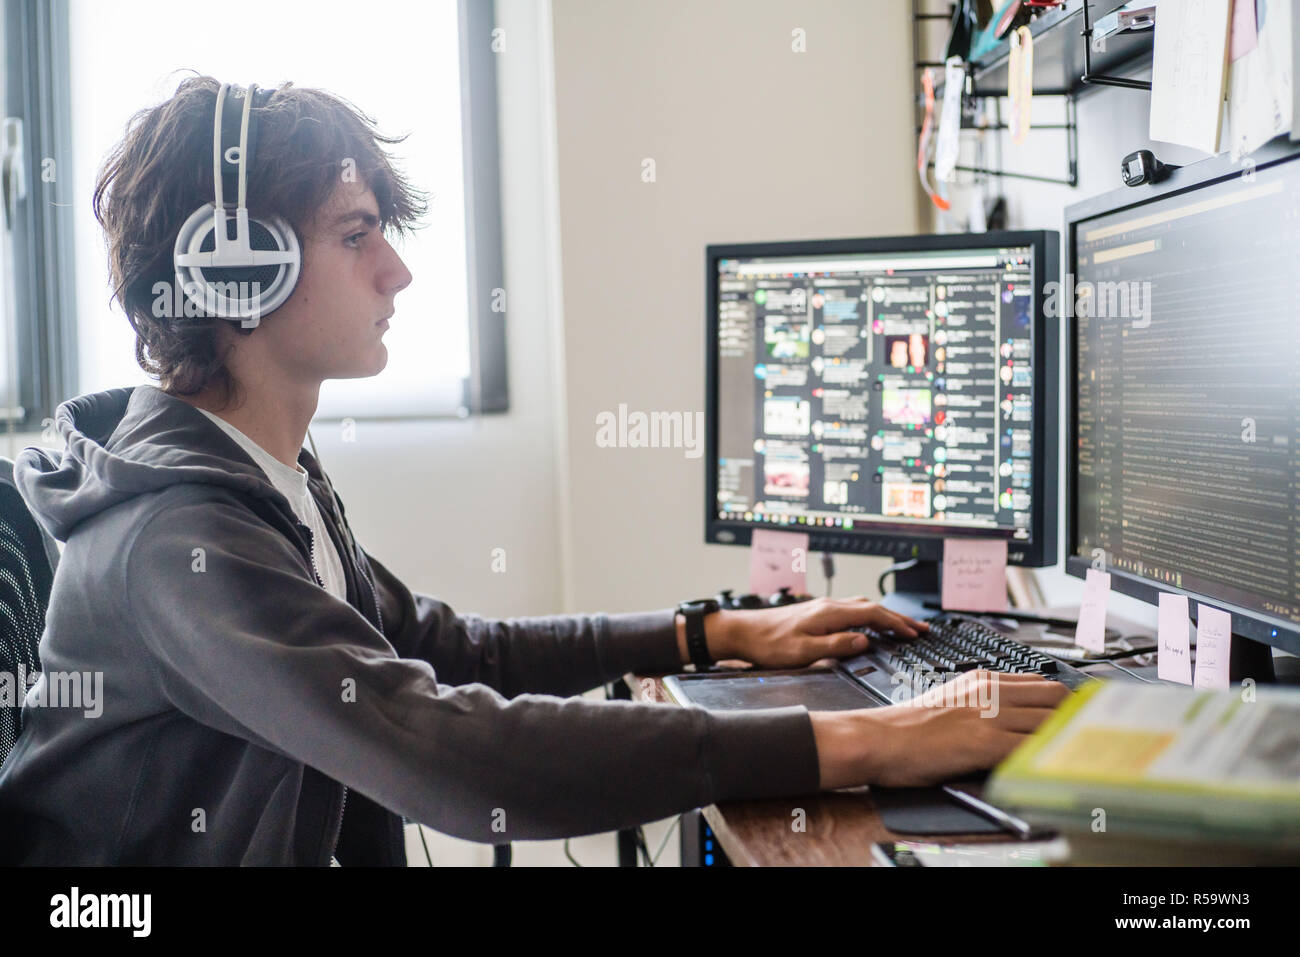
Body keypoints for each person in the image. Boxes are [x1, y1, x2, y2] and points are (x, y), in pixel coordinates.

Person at [0, 77, 1068, 865]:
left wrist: (710, 632)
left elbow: (432, 649)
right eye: (357, 234)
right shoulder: (177, 537)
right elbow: (447, 757)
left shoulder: (254, 471)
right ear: (234, 265)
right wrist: (872, 740)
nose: (398, 269)